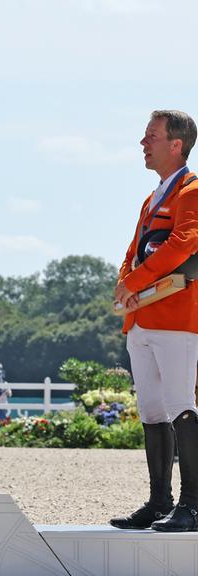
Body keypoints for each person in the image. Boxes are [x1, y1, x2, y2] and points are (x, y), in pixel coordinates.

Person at [110, 110, 198, 532]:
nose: (143, 144)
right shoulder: (151, 198)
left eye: (151, 136)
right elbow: (135, 248)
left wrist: (136, 280)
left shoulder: (192, 189)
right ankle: (160, 502)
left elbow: (183, 244)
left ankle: (193, 505)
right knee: (151, 411)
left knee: (182, 406)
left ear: (176, 144)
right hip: (141, 319)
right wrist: (123, 284)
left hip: (178, 317)